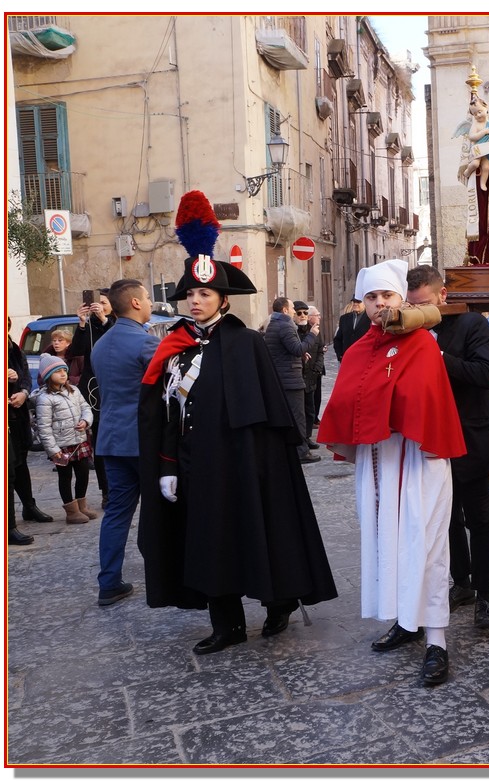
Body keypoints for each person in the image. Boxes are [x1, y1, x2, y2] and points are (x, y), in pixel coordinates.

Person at [138, 189, 338, 655]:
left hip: (247, 464)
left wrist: (265, 461)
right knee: (209, 542)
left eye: (204, 293)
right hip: (194, 468)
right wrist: (167, 465)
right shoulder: (174, 347)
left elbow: (267, 413)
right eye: (190, 294)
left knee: (261, 531)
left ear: (223, 299)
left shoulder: (245, 343)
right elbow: (167, 411)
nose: (195, 301)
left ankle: (278, 602)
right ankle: (225, 624)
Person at [318, 259, 466, 686]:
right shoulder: (361, 346)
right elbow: (346, 400)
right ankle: (406, 621)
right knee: (386, 542)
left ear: (402, 298)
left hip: (420, 459)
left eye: (387, 295)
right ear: (362, 303)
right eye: (372, 296)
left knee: (425, 545)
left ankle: (436, 639)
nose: (380, 303)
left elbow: (426, 401)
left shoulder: (421, 343)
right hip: (378, 463)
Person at [405, 265, 489, 629]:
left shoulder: (472, 324)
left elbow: (483, 375)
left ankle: (484, 595)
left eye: (425, 304)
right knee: (445, 520)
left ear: (442, 296)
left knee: (480, 519)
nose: (418, 312)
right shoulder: (409, 328)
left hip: (471, 437)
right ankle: (460, 583)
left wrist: (438, 356)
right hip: (431, 440)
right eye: (412, 305)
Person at [92, 279, 160, 606]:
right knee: (157, 508)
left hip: (111, 439)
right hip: (144, 440)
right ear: (134, 303)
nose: (150, 303)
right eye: (147, 297)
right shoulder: (145, 343)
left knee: (117, 512)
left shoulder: (101, 345)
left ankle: (109, 583)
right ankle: (161, 573)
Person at [31, 353, 95, 524]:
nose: (62, 374)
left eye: (63, 370)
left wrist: (85, 420)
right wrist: (53, 450)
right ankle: (71, 511)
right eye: (57, 371)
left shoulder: (74, 390)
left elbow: (86, 407)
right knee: (65, 477)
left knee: (83, 473)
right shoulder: (45, 399)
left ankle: (82, 505)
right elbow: (43, 427)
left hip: (79, 440)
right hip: (61, 446)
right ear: (47, 376)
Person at [68, 289, 115, 508]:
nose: (99, 307)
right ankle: (106, 490)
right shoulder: (88, 327)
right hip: (93, 388)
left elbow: (116, 342)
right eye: (97, 304)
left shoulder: (114, 323)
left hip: (113, 386)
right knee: (100, 441)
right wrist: (81, 323)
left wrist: (104, 319)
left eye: (104, 303)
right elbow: (76, 351)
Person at [8, 317, 54, 523]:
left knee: (20, 462)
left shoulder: (13, 348)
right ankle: (7, 523)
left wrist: (24, 393)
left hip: (18, 414)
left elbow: (25, 374)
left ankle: (29, 506)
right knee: (9, 468)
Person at [264, 296, 319, 464]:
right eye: (293, 308)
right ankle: (302, 452)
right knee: (298, 417)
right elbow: (296, 348)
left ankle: (291, 449)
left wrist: (301, 354)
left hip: (282, 377)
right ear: (285, 310)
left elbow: (285, 350)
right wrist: (312, 335)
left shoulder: (274, 324)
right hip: (290, 379)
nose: (296, 311)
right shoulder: (285, 325)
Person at [293, 301, 323, 451]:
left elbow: (320, 350)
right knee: (299, 412)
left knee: (310, 411)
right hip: (298, 377)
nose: (303, 315)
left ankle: (307, 437)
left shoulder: (315, 331)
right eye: (299, 313)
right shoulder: (292, 332)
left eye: (305, 312)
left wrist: (317, 369)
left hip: (311, 376)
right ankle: (301, 440)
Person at [457, 96, 489, 191]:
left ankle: (483, 183)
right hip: (478, 149)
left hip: (487, 150)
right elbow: (472, 137)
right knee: (475, 164)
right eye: (474, 114)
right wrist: (484, 132)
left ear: (486, 108)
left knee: (486, 167)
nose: (478, 115)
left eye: (479, 112)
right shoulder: (475, 125)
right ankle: (467, 172)